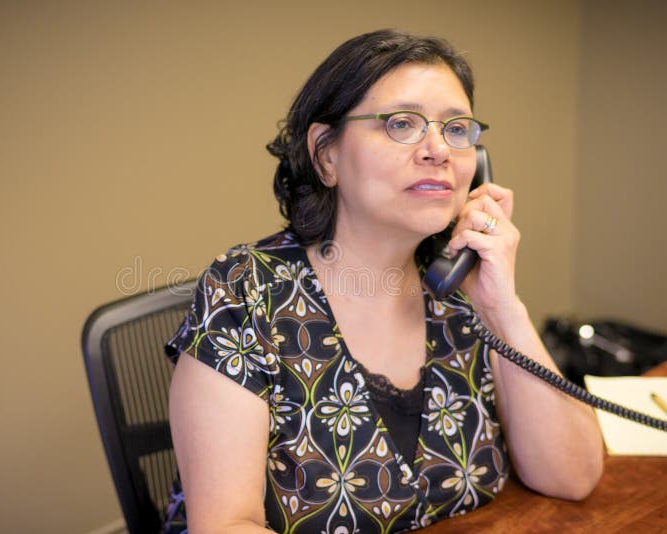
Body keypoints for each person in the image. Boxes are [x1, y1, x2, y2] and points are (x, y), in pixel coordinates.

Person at [164, 29, 604, 533]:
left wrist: (503, 308)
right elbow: (225, 525)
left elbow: (573, 477)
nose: (438, 149)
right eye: (401, 124)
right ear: (326, 155)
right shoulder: (246, 293)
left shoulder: (460, 291)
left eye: (457, 128)